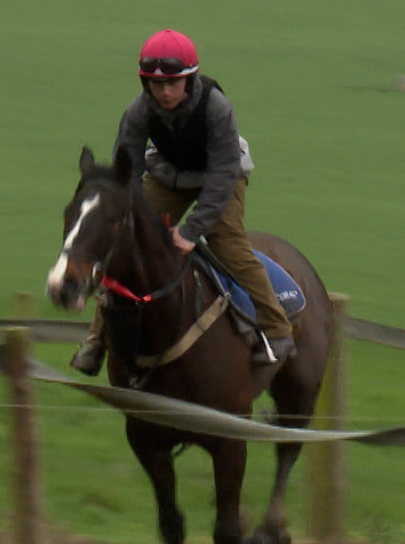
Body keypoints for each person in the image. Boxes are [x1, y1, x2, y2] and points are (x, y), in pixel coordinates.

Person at [70, 28, 296, 374]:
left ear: (190, 79)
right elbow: (125, 172)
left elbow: (222, 175)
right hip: (169, 174)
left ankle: (278, 330)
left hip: (221, 175)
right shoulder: (138, 110)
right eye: (155, 84)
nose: (164, 91)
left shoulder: (216, 108)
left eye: (173, 83)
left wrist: (191, 230)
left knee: (229, 245)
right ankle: (96, 339)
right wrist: (129, 214)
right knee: (129, 243)